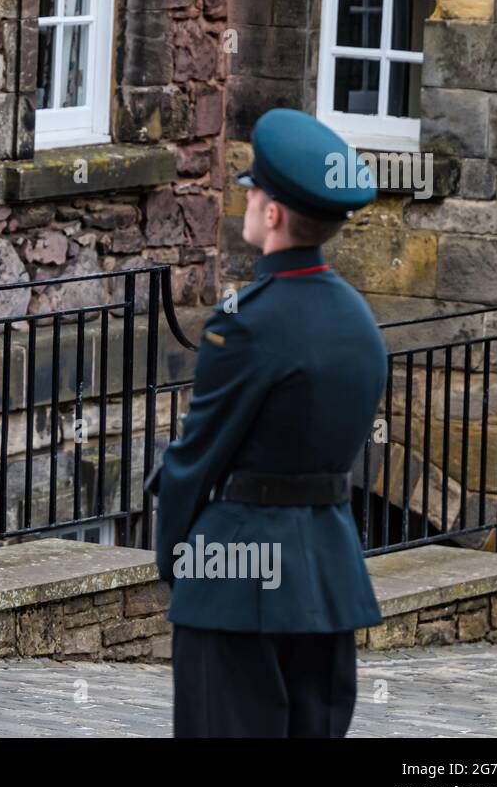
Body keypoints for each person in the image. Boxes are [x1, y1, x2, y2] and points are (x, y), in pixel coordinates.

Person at [145, 108, 388, 737]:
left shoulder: (247, 322)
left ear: (273, 214)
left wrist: (178, 560)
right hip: (329, 578)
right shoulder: (359, 321)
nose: (248, 197)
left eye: (255, 190)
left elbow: (196, 459)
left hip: (234, 581)